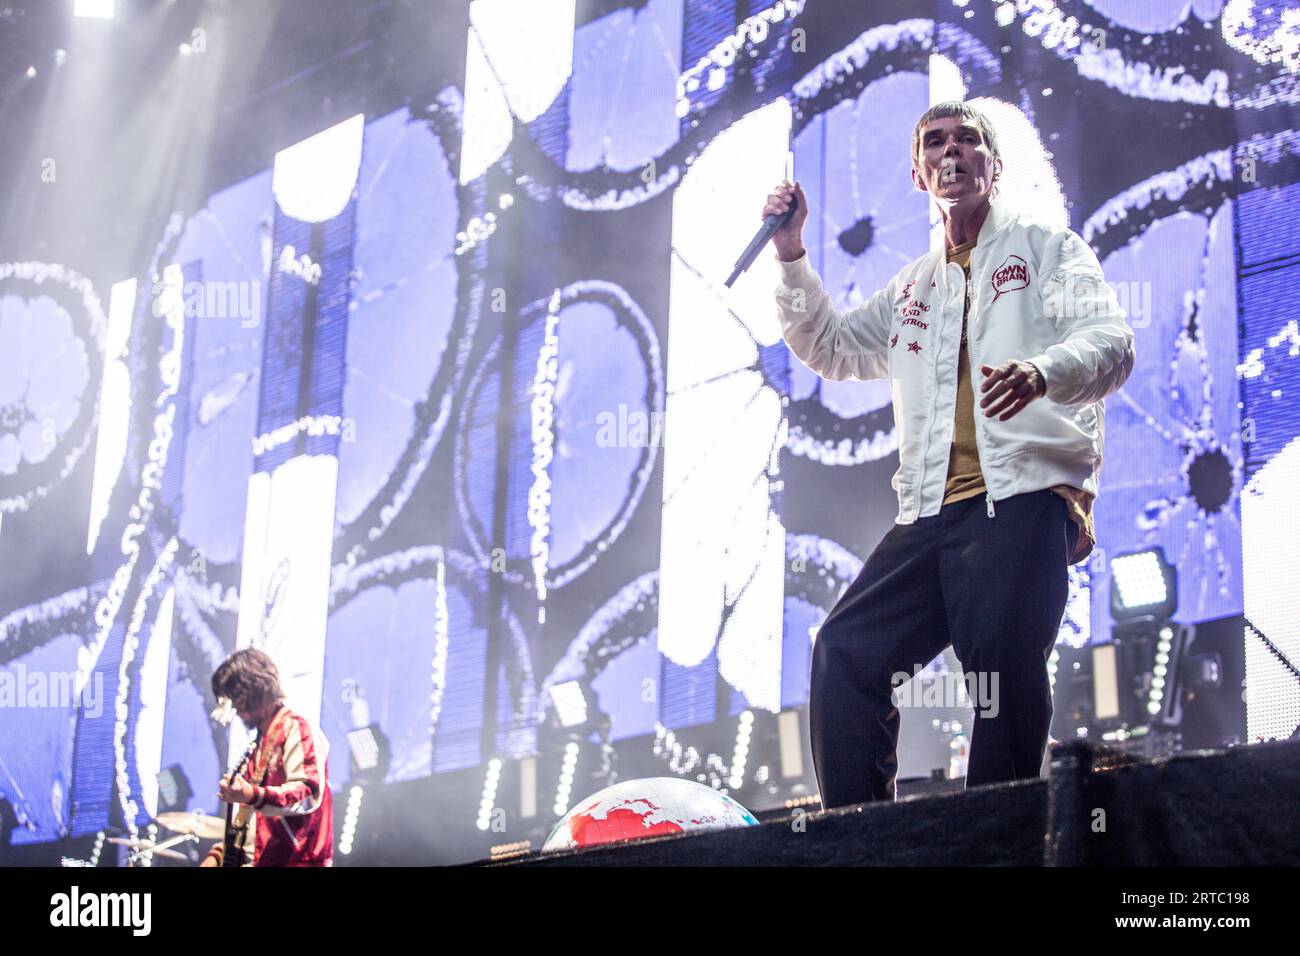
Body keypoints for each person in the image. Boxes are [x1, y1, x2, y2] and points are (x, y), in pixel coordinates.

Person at [766, 100, 1134, 809]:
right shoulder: (914, 288)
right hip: (930, 512)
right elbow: (833, 347)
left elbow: (1112, 342)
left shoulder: (1046, 250)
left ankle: (1000, 843)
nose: (952, 151)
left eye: (969, 140)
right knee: (844, 653)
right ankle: (865, 840)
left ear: (993, 167)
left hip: (1021, 500)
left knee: (1001, 670)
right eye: (935, 141)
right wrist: (790, 254)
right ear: (917, 173)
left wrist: (1042, 372)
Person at [199, 648, 334, 866]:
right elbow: (249, 822)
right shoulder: (259, 743)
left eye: (237, 697)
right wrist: (217, 856)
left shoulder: (297, 728)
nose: (235, 708)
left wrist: (252, 794)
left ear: (256, 689)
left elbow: (306, 795)